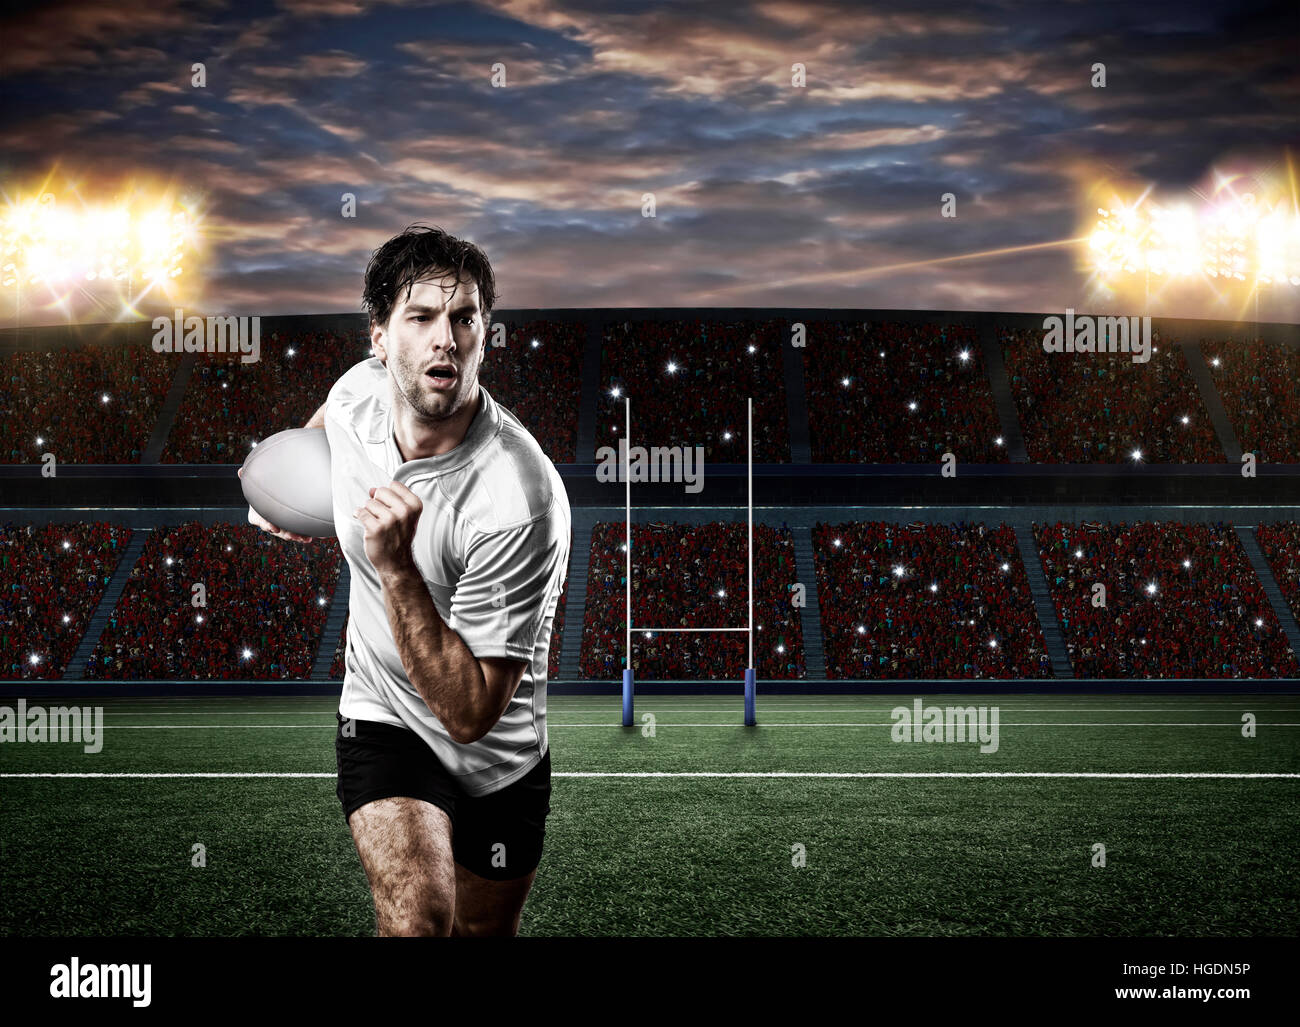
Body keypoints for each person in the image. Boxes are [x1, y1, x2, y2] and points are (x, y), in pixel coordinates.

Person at [244, 224, 571, 936]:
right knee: (419, 919)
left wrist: (397, 569)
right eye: (419, 317)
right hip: (383, 716)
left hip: (495, 752)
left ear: (487, 333)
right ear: (380, 338)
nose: (444, 339)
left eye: (464, 318)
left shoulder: (520, 497)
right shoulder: (357, 391)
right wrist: (292, 496)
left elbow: (471, 710)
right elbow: (330, 423)